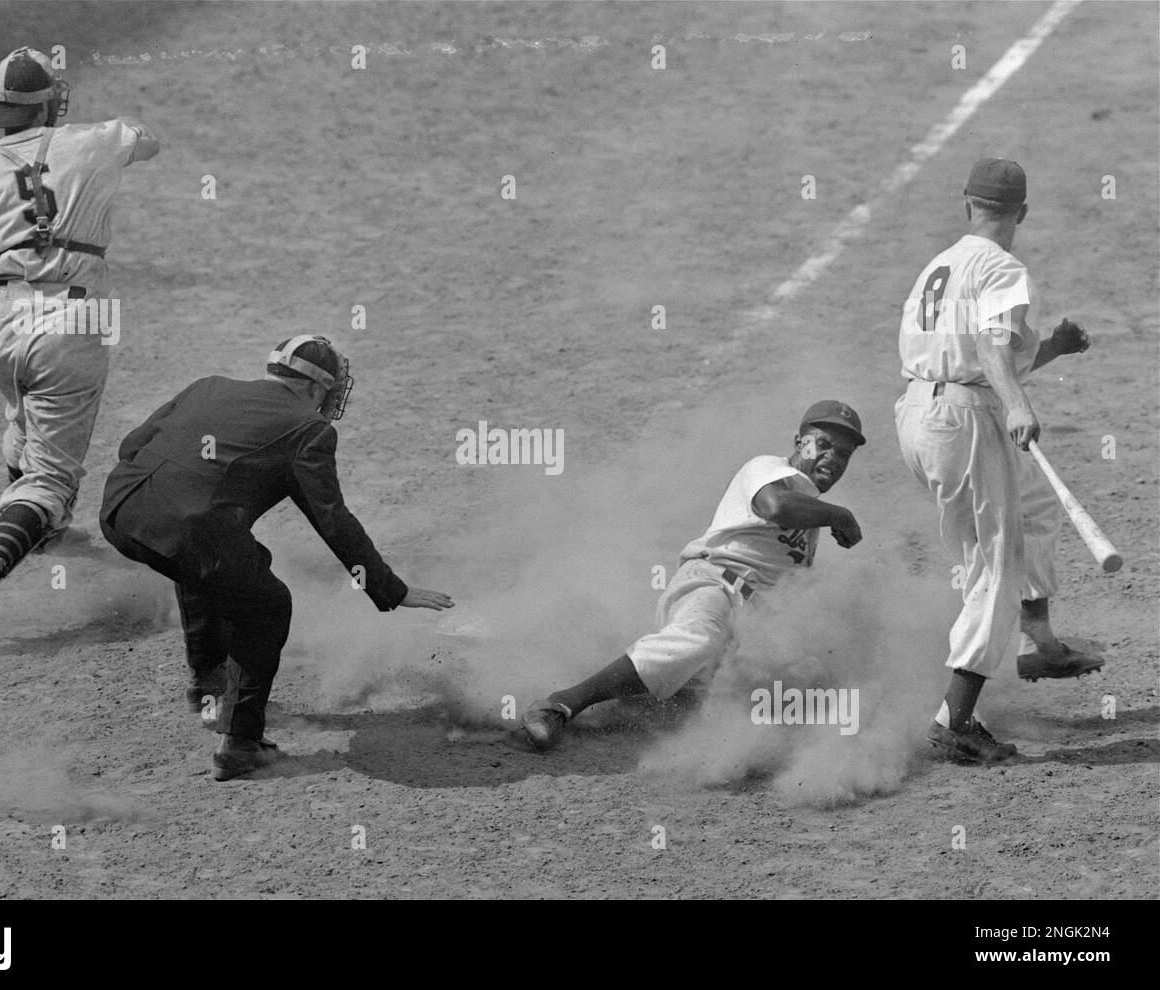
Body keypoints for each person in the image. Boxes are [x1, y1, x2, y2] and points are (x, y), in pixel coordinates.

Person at [99, 335, 455, 780]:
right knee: (267, 605)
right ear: (314, 388)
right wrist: (389, 588)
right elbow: (332, 520)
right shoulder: (311, 430)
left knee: (202, 561)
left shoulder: (207, 386)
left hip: (119, 510)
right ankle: (240, 742)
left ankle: (208, 685)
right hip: (184, 531)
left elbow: (130, 446)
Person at [0, 46, 159, 653]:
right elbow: (148, 140)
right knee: (52, 476)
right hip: (70, 317)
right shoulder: (91, 140)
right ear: (49, 102)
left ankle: (45, 531)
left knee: (22, 427)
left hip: (0, 322)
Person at [895, 157, 1099, 766]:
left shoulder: (941, 265)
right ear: (1023, 213)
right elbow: (988, 347)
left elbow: (979, 361)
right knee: (995, 567)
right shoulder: (1004, 267)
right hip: (964, 423)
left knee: (1032, 504)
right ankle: (955, 721)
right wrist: (1018, 404)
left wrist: (1051, 349)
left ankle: (1039, 641)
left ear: (967, 205)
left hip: (920, 415)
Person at [518, 401, 865, 751]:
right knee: (699, 639)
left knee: (814, 683)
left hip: (749, 623)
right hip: (713, 585)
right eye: (822, 444)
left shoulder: (811, 521)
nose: (833, 457)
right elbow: (774, 506)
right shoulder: (767, 470)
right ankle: (559, 705)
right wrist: (841, 516)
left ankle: (649, 704)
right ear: (798, 442)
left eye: (844, 453)